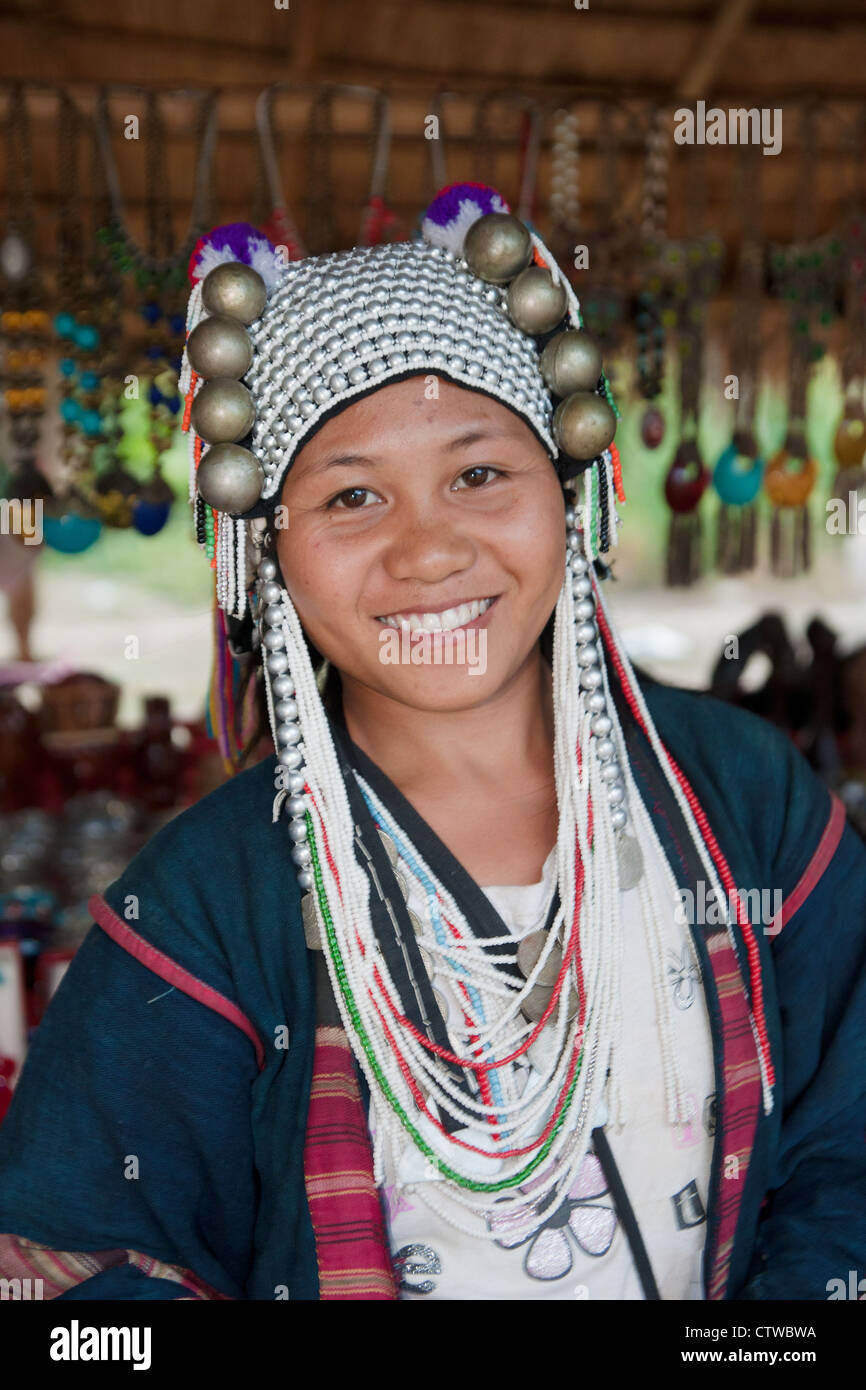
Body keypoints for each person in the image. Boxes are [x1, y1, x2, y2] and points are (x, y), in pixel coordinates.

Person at [0, 186, 864, 1302]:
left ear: (567, 491)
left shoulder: (743, 800)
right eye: (352, 494)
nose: (427, 549)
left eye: (477, 474)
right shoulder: (210, 901)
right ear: (266, 549)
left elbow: (845, 1153)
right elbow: (78, 1272)